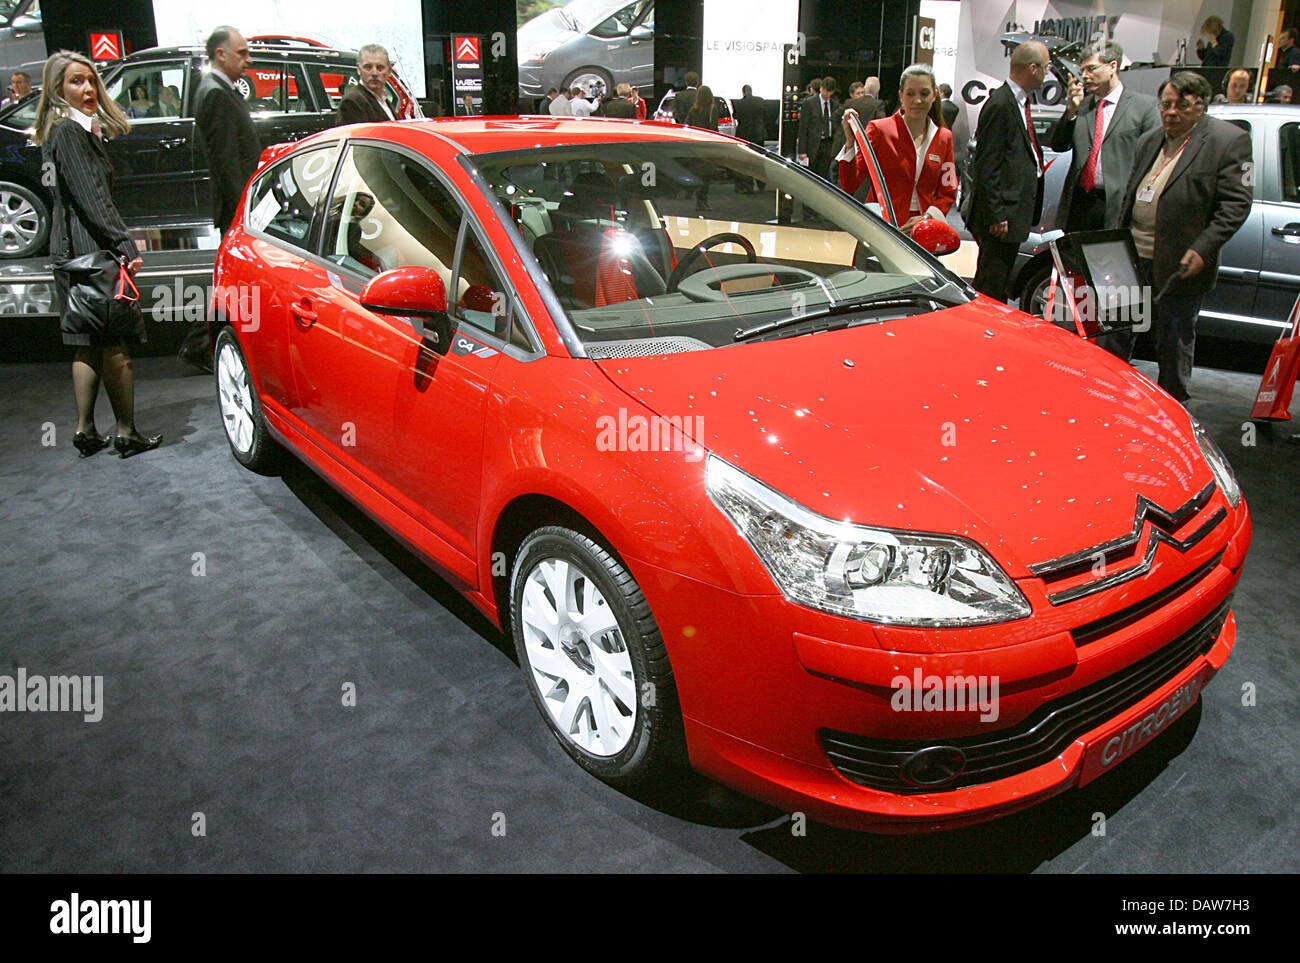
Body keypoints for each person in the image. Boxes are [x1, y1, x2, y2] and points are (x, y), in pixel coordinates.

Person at [31, 51, 161, 459]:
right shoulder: (70, 132)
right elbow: (92, 198)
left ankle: (86, 431)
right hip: (91, 251)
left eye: (91, 80)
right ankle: (126, 433)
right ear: (57, 88)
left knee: (87, 341)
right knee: (114, 341)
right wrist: (124, 243)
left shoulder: (62, 129)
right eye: (76, 81)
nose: (87, 88)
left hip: (71, 251)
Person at [1113, 71, 1252, 402]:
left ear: (1200, 107)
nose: (1171, 112)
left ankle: (1173, 414)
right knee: (1115, 337)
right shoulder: (1150, 140)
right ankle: (1112, 404)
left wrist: (1203, 249)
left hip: (1180, 265)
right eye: (1166, 105)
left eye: (1182, 106)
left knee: (1172, 347)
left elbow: (1237, 205)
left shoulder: (1228, 141)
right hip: (1132, 258)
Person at [179, 25, 259, 372]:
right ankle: (199, 343)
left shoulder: (218, 89)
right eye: (242, 53)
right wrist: (244, 210)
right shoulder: (215, 93)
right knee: (231, 280)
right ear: (220, 53)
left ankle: (201, 343)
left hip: (235, 205)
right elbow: (226, 160)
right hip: (235, 207)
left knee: (232, 279)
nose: (248, 60)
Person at [1048, 40, 1160, 233]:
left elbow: (1153, 157)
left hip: (1117, 204)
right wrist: (1071, 111)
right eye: (1082, 70)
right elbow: (1059, 145)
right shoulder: (1081, 106)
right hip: (1080, 202)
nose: (1085, 76)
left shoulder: (1144, 107)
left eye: (1091, 69)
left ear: (1112, 67)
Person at [967, 41, 1049, 302]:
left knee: (998, 283)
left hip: (1012, 213)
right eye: (1045, 68)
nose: (1046, 74)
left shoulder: (1017, 102)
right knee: (990, 284)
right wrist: (996, 214)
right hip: (1001, 219)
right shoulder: (1001, 104)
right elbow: (987, 164)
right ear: (1033, 68)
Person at [838, 63, 956, 234]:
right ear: (901, 96)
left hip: (924, 232)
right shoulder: (880, 130)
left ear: (934, 95)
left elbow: (948, 192)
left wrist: (927, 217)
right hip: (882, 229)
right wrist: (850, 143)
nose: (917, 100)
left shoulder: (944, 137)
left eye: (924, 93)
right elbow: (850, 184)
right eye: (910, 94)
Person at [339, 44, 396, 124]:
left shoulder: (384, 101)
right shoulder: (352, 102)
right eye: (368, 67)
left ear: (389, 70)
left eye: (380, 67)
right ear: (359, 69)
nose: (374, 73)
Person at [797, 76, 839, 181]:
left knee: (824, 176)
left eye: (829, 92)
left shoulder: (835, 105)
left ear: (832, 92)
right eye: (824, 90)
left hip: (828, 144)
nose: (826, 94)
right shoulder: (809, 103)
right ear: (821, 88)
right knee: (811, 176)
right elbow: (803, 128)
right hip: (813, 145)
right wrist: (802, 151)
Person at [685, 85, 718, 210]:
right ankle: (702, 200)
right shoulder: (712, 110)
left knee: (697, 172)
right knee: (706, 174)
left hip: (694, 144)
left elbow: (687, 126)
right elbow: (713, 128)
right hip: (707, 145)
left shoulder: (693, 110)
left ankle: (695, 195)